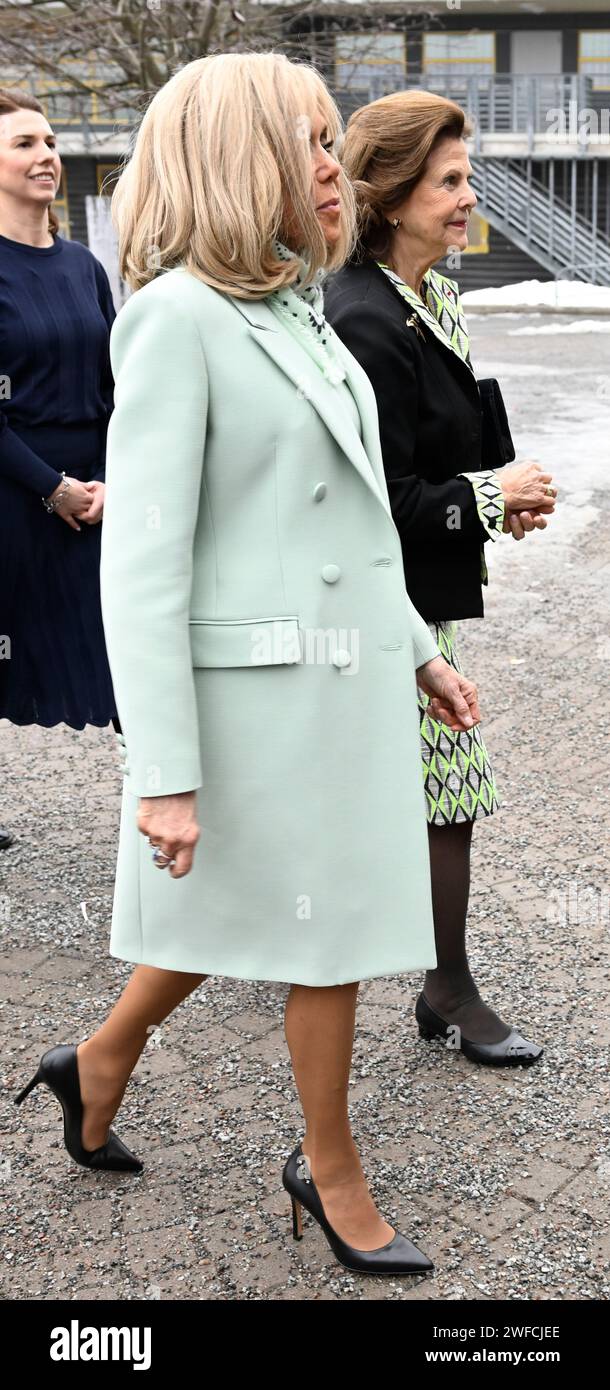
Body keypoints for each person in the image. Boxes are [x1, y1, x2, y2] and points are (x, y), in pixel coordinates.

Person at [14, 54, 482, 1278]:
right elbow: (144, 563)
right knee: (316, 933)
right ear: (239, 160)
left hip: (336, 688)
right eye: (311, 142)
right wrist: (163, 771)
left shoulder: (294, 309)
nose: (335, 167)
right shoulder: (176, 316)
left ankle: (98, 1059)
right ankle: (329, 1167)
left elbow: (353, 519)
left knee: (255, 914)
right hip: (257, 704)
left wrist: (416, 653)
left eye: (331, 141)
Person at [324, 89, 557, 1066]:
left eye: (468, 178)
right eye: (449, 181)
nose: (469, 199)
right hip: (375, 604)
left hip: (421, 603)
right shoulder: (364, 319)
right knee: (420, 799)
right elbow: (375, 500)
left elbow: (449, 438)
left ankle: (441, 984)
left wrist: (501, 494)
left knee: (447, 793)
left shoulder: (431, 298)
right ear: (389, 195)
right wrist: (491, 496)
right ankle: (436, 986)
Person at [0, 87, 120, 844]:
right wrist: (52, 489)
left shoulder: (83, 267)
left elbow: (117, 387)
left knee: (125, 647)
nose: (47, 155)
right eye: (24, 143)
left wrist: (114, 482)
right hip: (14, 493)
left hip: (96, 493)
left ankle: (165, 806)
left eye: (49, 141)